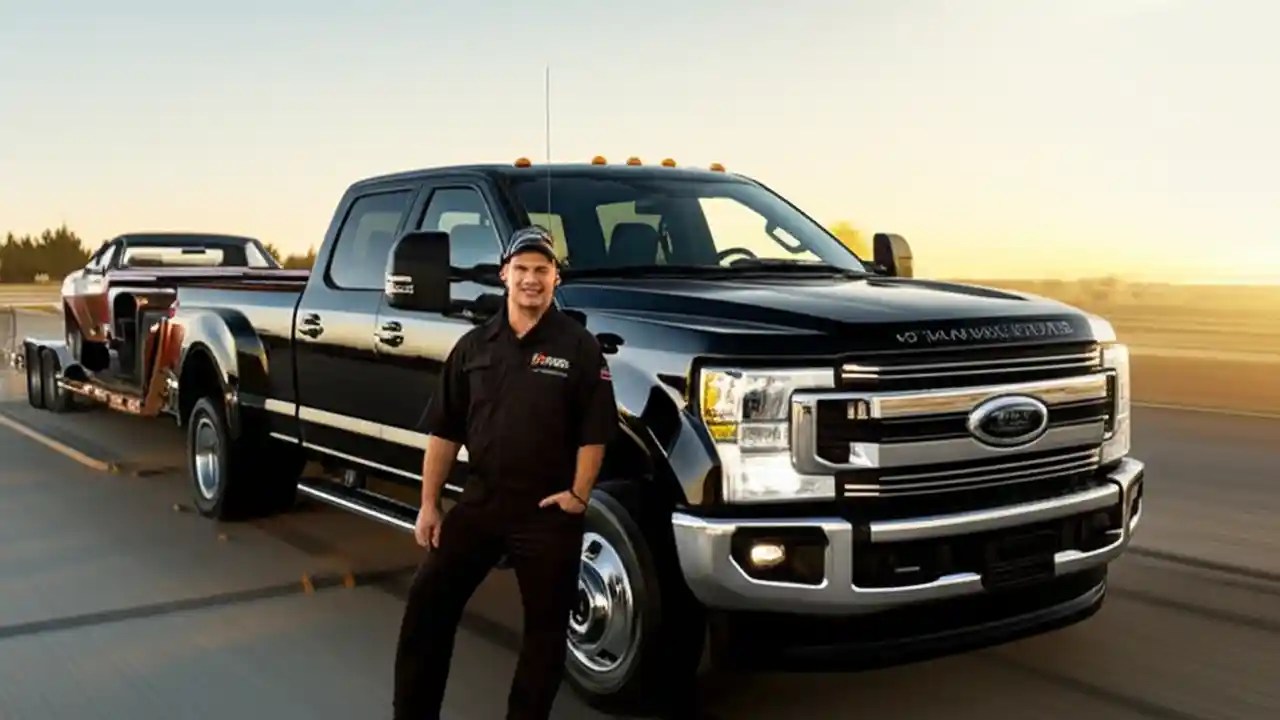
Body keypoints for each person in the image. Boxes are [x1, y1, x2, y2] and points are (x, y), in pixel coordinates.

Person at [392, 225, 618, 720]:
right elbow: (444, 431)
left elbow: (595, 432)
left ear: (556, 278)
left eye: (542, 270)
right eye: (522, 269)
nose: (531, 279)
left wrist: (578, 497)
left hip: (546, 512)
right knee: (427, 608)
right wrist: (430, 504)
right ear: (504, 275)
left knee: (544, 634)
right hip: (481, 504)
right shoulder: (473, 347)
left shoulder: (579, 347)